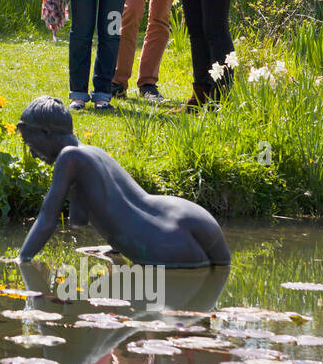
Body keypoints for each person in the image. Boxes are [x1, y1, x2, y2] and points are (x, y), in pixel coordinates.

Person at [15, 96, 231, 267]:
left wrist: (22, 260)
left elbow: (47, 219)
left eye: (31, 144)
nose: (33, 154)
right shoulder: (93, 152)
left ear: (46, 132)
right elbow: (86, 218)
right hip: (194, 219)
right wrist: (115, 246)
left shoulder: (69, 158)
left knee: (173, 317)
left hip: (163, 243)